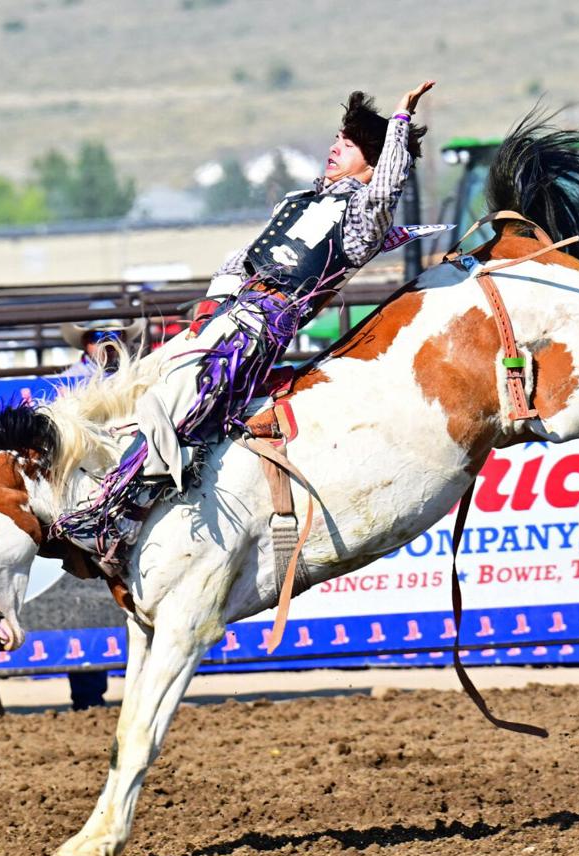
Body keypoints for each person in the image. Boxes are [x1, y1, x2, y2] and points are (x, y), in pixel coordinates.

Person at [52, 81, 434, 572]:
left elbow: (386, 192)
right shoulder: (298, 201)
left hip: (260, 328)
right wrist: (213, 302)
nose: (335, 148)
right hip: (229, 312)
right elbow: (244, 256)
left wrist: (400, 119)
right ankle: (92, 490)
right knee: (144, 383)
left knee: (182, 404)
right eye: (337, 139)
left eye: (349, 143)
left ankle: (125, 514)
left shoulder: (364, 218)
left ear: (373, 161)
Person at [59, 317, 147, 378]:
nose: (107, 343)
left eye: (114, 335)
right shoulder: (70, 377)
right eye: (97, 336)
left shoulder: (135, 373)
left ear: (122, 340)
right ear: (85, 341)